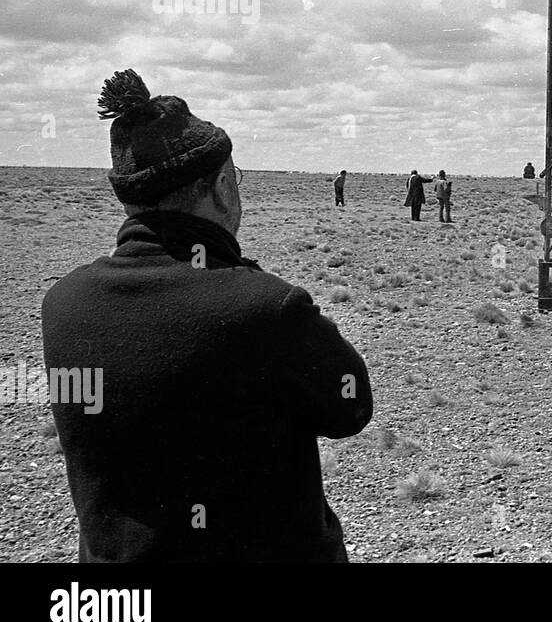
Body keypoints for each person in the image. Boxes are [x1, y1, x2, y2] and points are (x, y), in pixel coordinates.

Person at [41, 68, 372, 562]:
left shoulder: (62, 304)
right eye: (233, 179)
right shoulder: (264, 309)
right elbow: (350, 409)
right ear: (219, 187)